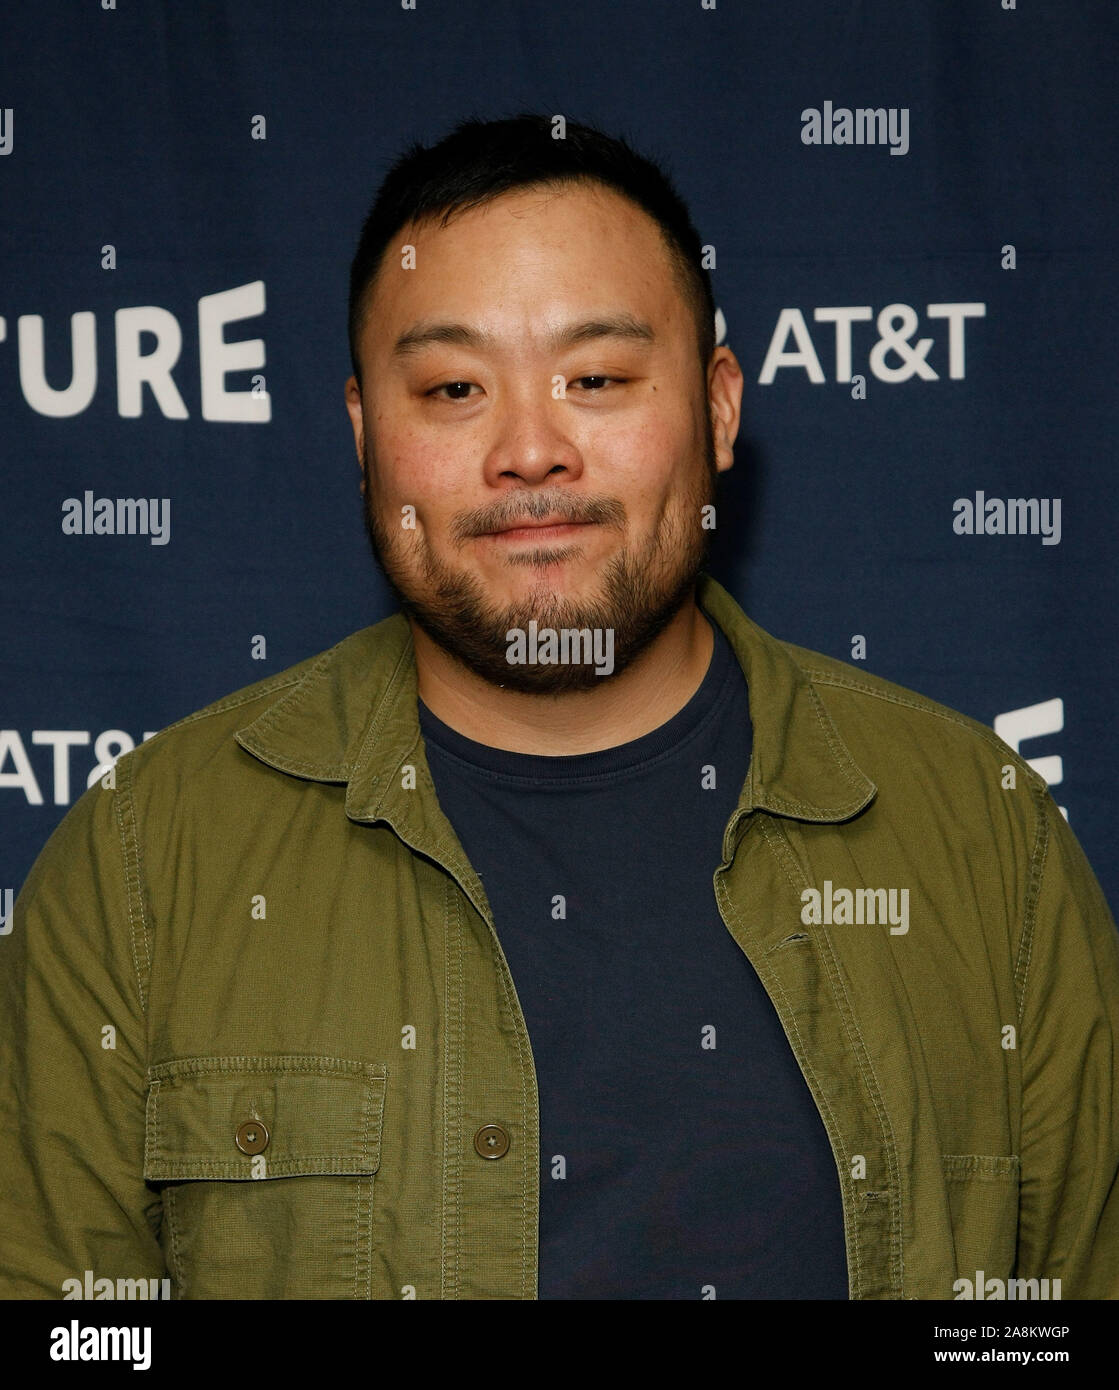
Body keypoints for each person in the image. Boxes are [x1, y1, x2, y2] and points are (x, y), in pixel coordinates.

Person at [2, 113, 1116, 1301]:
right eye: (452, 387)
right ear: (365, 434)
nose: (531, 450)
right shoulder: (146, 859)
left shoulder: (976, 829)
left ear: (721, 409)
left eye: (596, 378)